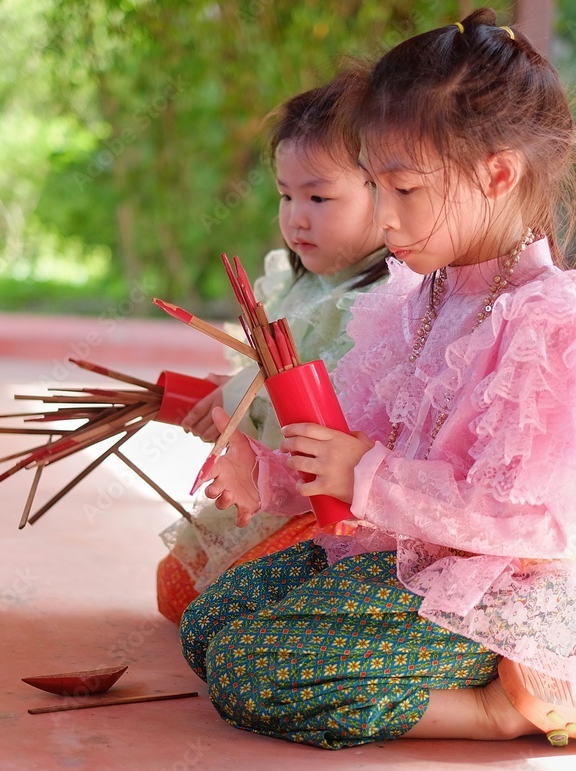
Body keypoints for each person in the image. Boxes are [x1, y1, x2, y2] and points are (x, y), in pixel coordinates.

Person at [181, 8, 576, 750]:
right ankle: (409, 676)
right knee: (207, 624)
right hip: (396, 560)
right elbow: (355, 449)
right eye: (376, 187)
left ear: (498, 174)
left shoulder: (552, 326)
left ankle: (496, 707)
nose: (387, 218)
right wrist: (270, 474)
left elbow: (543, 523)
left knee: (249, 669)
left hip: (493, 600)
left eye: (404, 189)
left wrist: (370, 474)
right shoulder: (414, 298)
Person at [157, 66, 389, 623]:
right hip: (267, 487)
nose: (296, 218)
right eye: (287, 195)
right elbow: (262, 376)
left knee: (227, 614)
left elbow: (326, 400)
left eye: (319, 197)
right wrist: (227, 399)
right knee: (174, 591)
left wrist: (238, 399)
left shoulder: (380, 300)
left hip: (328, 502)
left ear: (388, 189)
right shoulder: (298, 281)